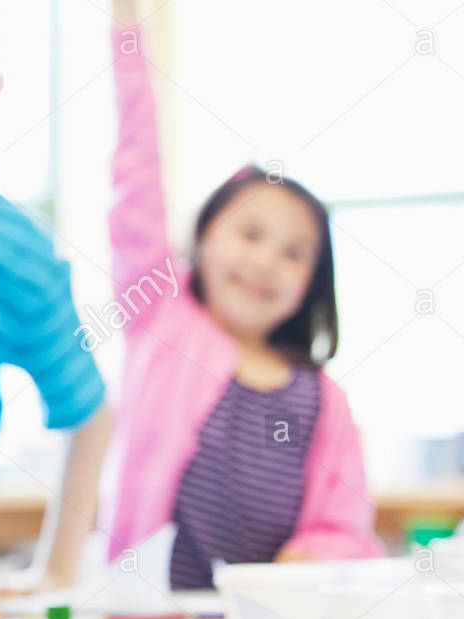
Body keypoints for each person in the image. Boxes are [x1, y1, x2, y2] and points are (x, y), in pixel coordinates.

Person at [105, 0, 382, 588]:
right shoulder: (161, 315)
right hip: (145, 618)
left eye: (294, 252)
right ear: (201, 239)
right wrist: (128, 37)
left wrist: (315, 558)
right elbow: (137, 181)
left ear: (313, 282)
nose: (266, 262)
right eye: (251, 234)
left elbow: (347, 527)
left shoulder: (323, 400)